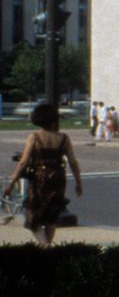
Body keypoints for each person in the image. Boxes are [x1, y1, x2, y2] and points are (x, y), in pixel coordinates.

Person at [4, 102, 83, 245]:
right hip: (59, 177)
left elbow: (23, 162)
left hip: (40, 177)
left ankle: (44, 245)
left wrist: (12, 183)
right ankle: (47, 247)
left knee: (33, 214)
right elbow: (73, 162)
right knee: (51, 216)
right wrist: (78, 182)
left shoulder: (34, 137)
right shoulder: (64, 138)